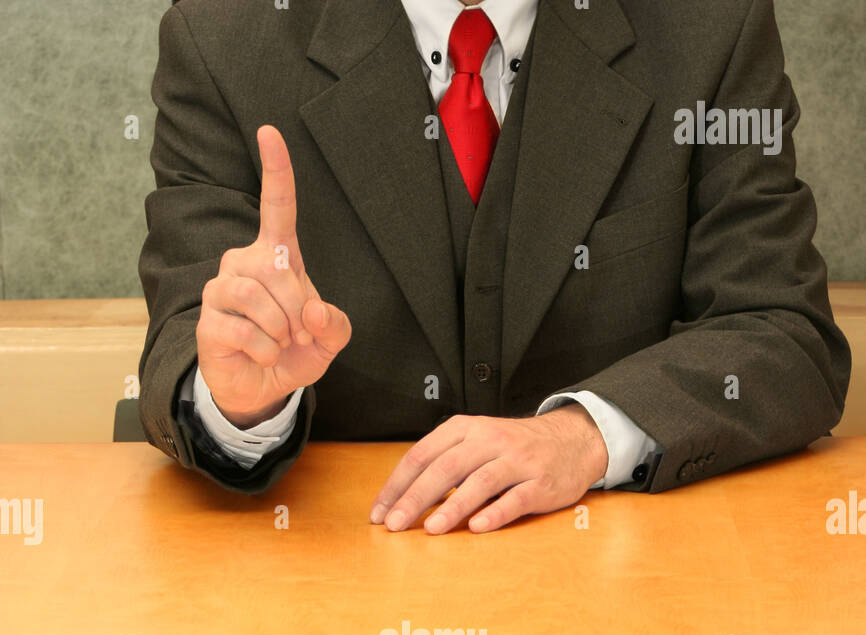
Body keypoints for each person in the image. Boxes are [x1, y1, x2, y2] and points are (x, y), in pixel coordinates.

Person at [138, 0, 850, 534]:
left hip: (626, 586)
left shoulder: (712, 23)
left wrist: (584, 437)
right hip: (324, 594)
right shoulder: (221, 35)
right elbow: (187, 338)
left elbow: (783, 334)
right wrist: (238, 402)